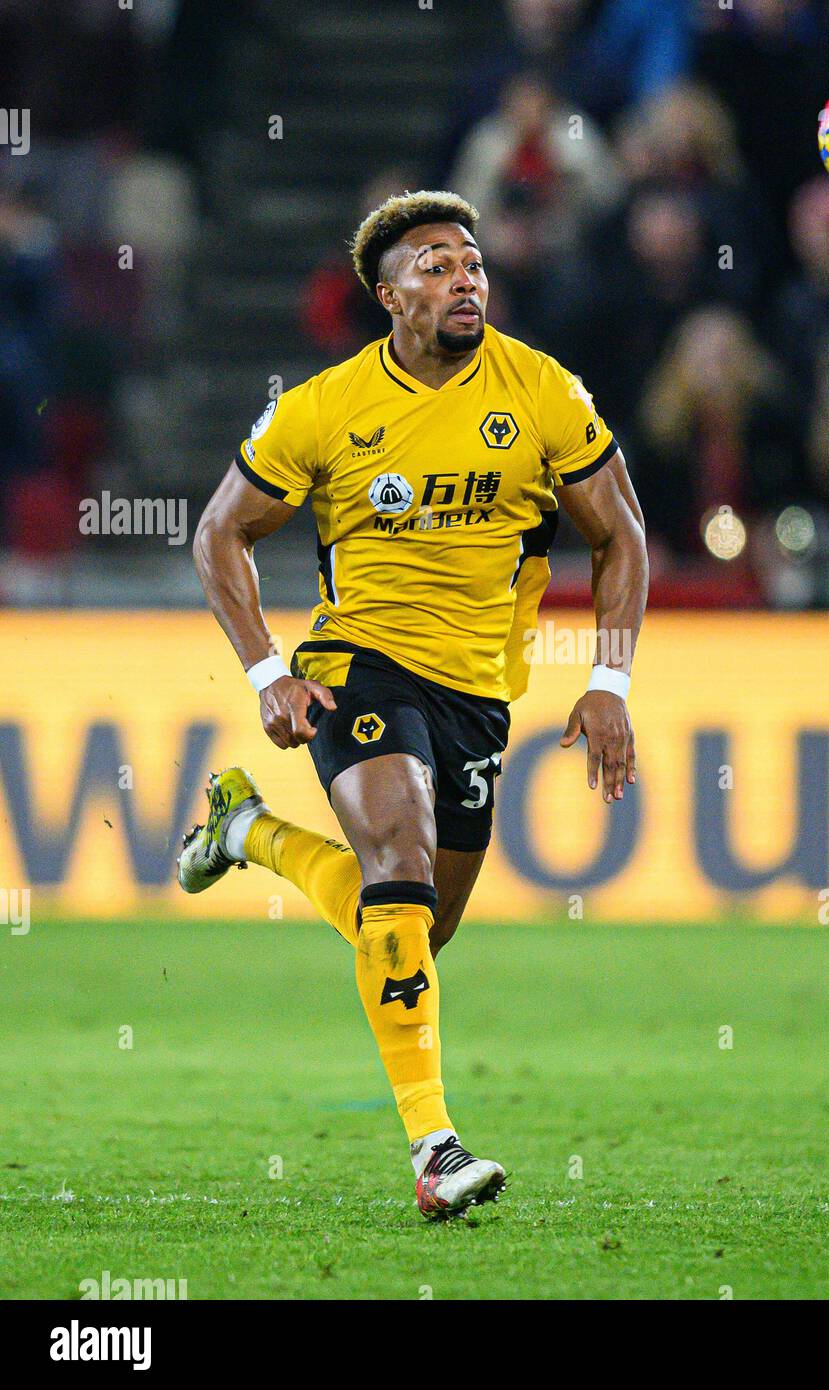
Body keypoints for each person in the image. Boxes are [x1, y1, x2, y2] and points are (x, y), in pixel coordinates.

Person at [179, 191, 648, 1219]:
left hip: (478, 690)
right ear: (390, 298)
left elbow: (620, 533)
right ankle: (436, 1150)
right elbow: (221, 532)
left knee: (410, 930)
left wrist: (608, 680)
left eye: (471, 263)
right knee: (397, 862)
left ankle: (248, 831)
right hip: (359, 664)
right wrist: (268, 673)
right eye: (436, 266)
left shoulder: (541, 390)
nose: (464, 279)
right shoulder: (325, 407)